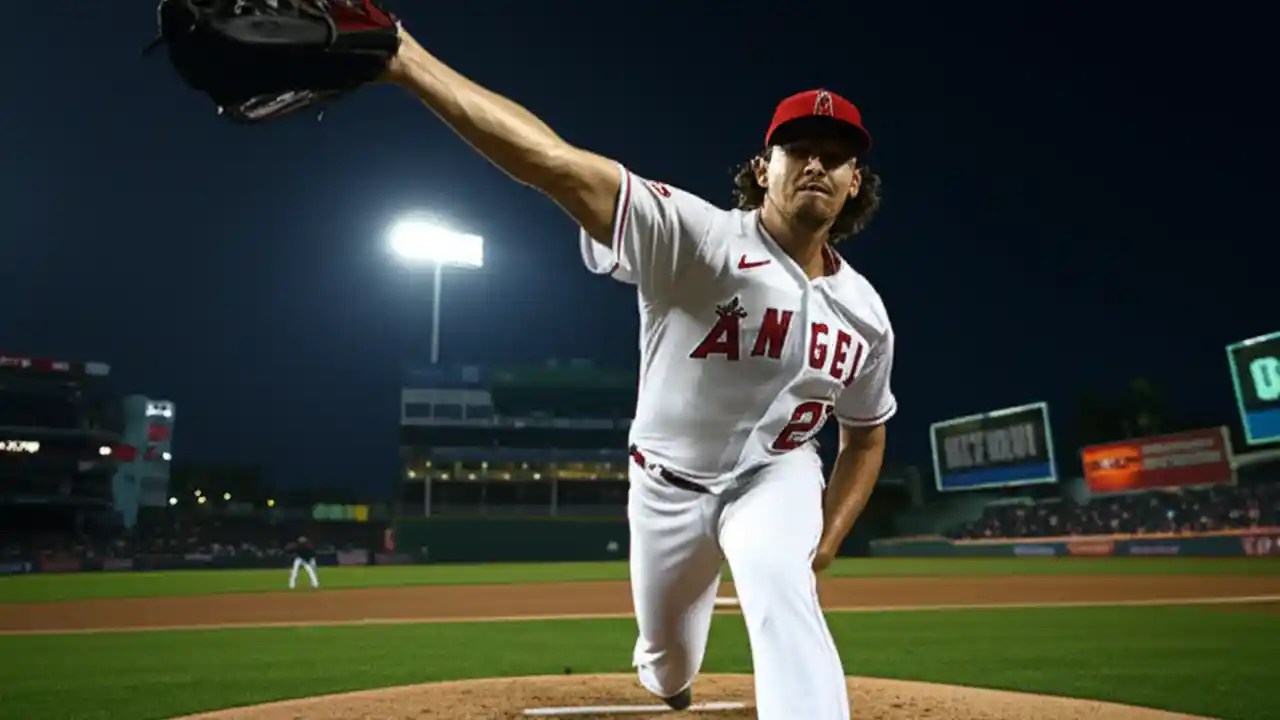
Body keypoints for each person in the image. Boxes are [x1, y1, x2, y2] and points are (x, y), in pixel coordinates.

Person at [382, 25, 895, 720]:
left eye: (835, 157)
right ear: (763, 166)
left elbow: (865, 434)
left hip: (777, 474)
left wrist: (828, 538)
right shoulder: (697, 240)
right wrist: (406, 60)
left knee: (781, 581)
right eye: (798, 148)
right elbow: (555, 165)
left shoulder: (865, 313)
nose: (816, 165)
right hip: (666, 485)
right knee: (667, 666)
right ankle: (669, 676)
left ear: (854, 181)